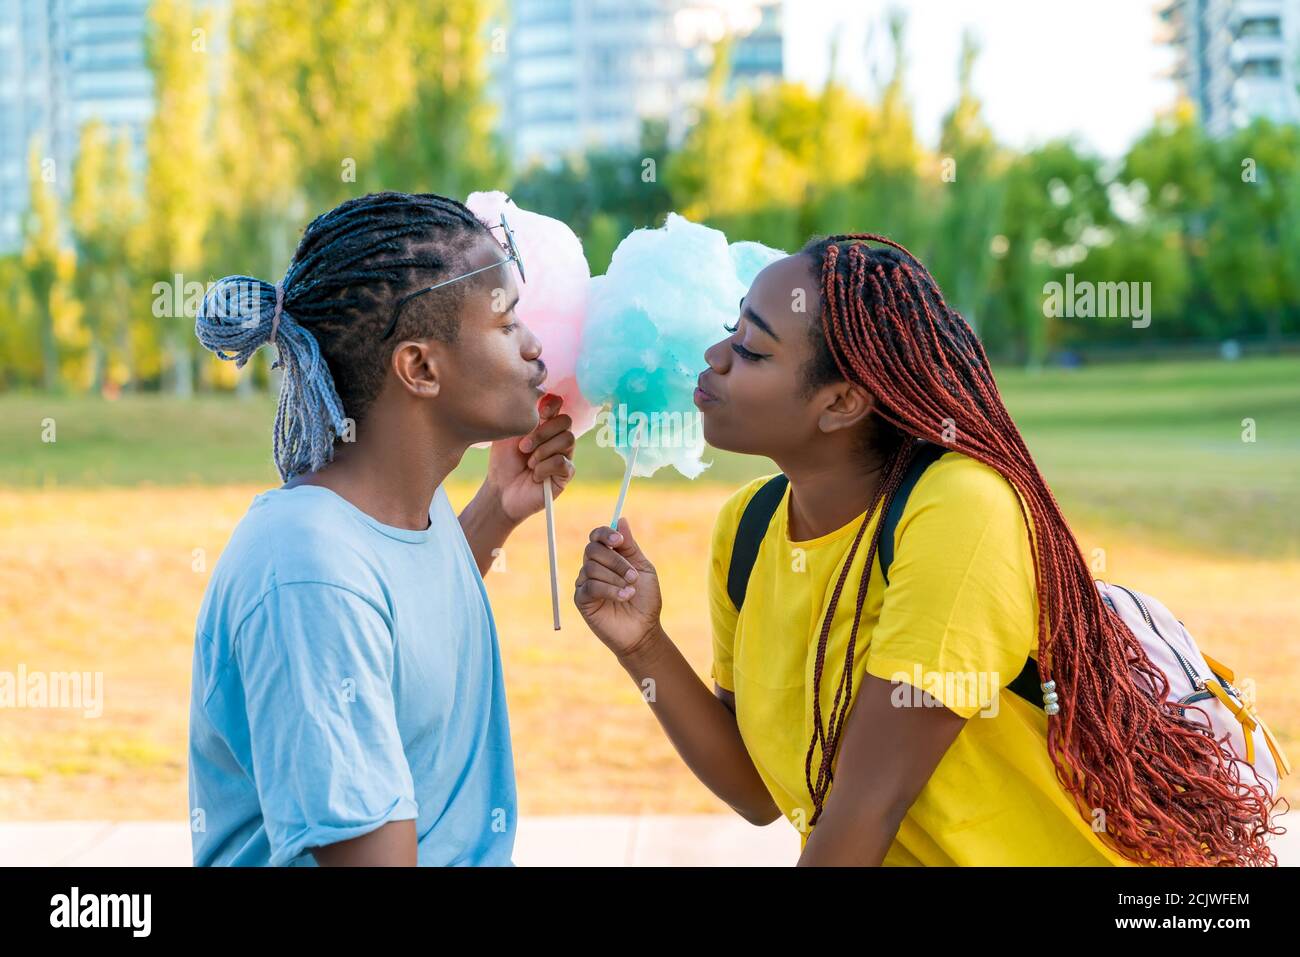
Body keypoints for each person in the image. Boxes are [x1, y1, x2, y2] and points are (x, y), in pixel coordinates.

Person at [572, 233, 1276, 866]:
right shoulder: (750, 528)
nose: (714, 357)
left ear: (842, 402)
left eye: (753, 349)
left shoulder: (958, 510)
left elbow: (865, 808)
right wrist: (644, 646)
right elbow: (761, 790)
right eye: (731, 330)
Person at [188, 191, 576, 866]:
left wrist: (497, 506)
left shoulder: (394, 519)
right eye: (508, 323)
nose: (537, 345)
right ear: (421, 367)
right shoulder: (308, 569)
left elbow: (404, 619)